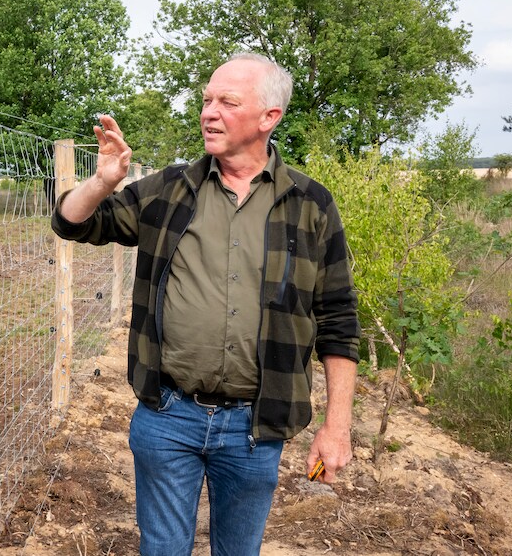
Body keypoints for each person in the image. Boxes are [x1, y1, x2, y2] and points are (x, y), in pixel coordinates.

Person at [51, 53, 361, 555]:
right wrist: (103, 182)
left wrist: (337, 427)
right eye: (206, 100)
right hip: (168, 414)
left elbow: (339, 319)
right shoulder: (171, 190)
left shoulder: (311, 204)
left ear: (269, 118)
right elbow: (73, 223)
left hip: (256, 426)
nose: (209, 113)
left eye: (227, 102)